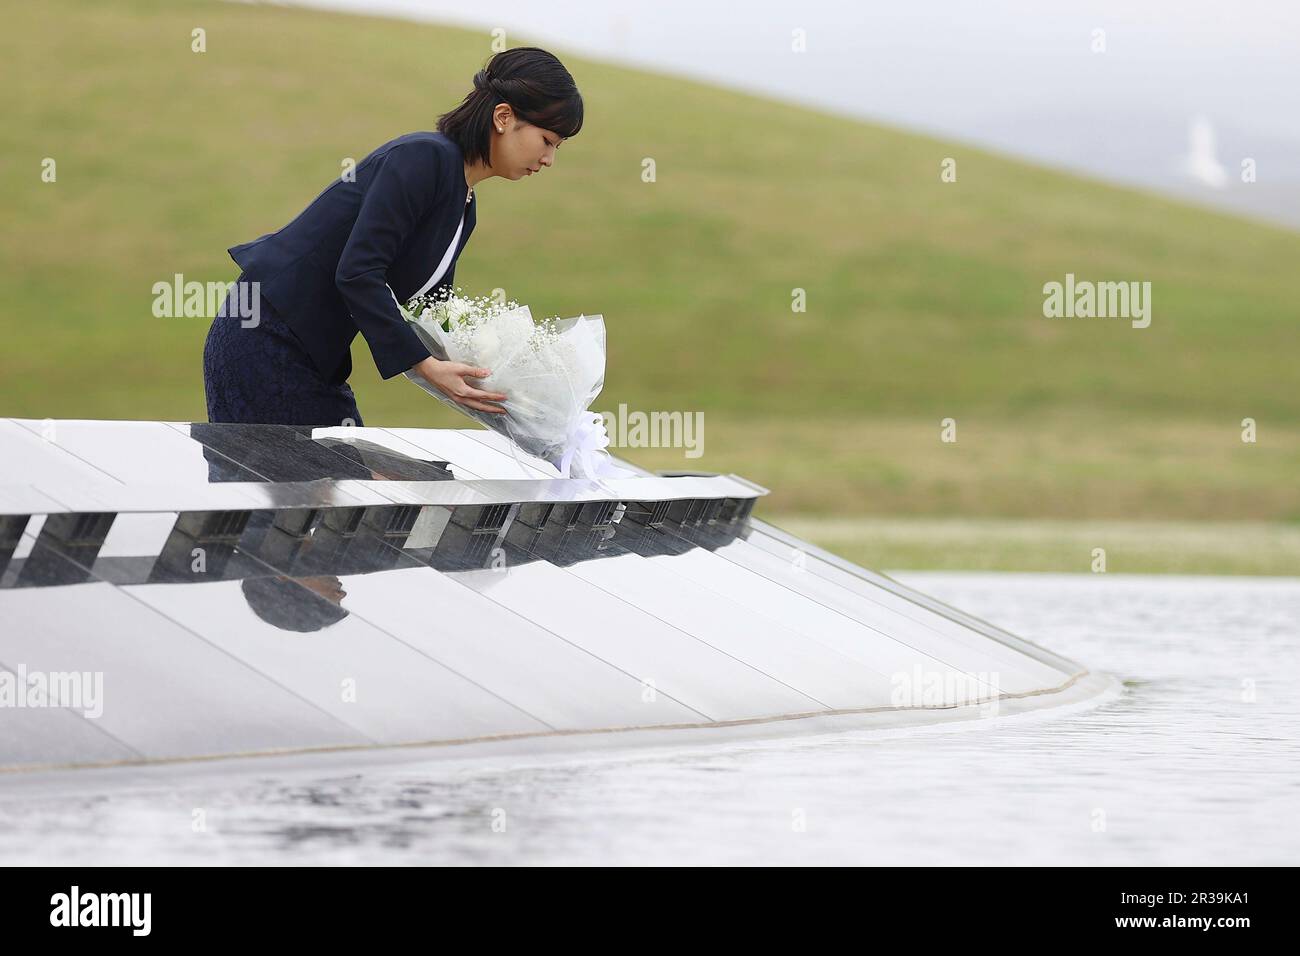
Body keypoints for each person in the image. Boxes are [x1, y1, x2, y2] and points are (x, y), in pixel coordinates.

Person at [203, 47, 583, 427]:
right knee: (331, 477)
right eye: (548, 141)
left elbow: (430, 309)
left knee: (339, 476)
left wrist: (513, 387)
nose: (549, 159)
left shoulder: (464, 206)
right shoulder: (424, 159)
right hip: (264, 338)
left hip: (313, 357)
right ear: (503, 117)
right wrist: (424, 364)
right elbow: (357, 271)